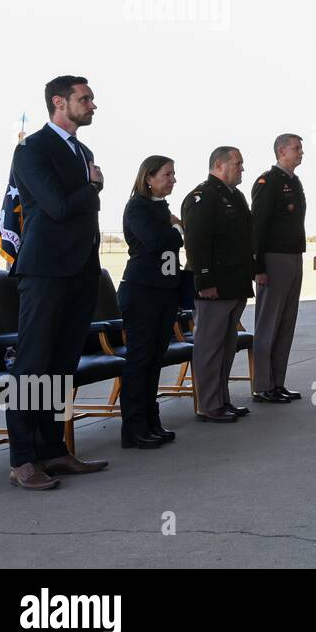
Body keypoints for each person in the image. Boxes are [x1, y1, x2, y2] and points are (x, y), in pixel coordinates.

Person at [5, 75, 109, 489]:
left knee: (61, 366)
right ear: (59, 102)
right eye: (85, 98)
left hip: (81, 271)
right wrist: (94, 185)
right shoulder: (31, 149)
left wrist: (89, 186)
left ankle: (51, 450)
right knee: (33, 366)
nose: (93, 105)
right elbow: (59, 207)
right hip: (45, 271)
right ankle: (23, 460)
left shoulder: (83, 150)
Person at [181, 147, 253, 424]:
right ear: (219, 165)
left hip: (234, 284)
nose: (242, 168)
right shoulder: (203, 197)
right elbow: (197, 244)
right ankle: (208, 404)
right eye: (238, 163)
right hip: (215, 286)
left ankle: (222, 400)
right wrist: (205, 280)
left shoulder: (234, 196)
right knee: (209, 347)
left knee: (225, 347)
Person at [118, 156, 183, 449]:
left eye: (173, 174)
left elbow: (169, 244)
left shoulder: (162, 208)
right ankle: (134, 426)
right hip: (142, 291)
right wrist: (177, 231)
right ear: (149, 177)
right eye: (167, 174)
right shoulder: (138, 207)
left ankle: (150, 420)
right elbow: (157, 242)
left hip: (164, 292)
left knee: (155, 359)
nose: (173, 179)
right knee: (139, 359)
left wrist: (173, 230)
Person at [250, 133, 306, 404]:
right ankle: (262, 385)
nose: (301, 152)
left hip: (293, 256)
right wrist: (258, 266)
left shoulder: (293, 182)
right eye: (296, 148)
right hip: (273, 260)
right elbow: (257, 227)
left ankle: (277, 382)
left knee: (285, 323)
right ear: (282, 151)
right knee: (268, 323)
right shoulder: (268, 182)